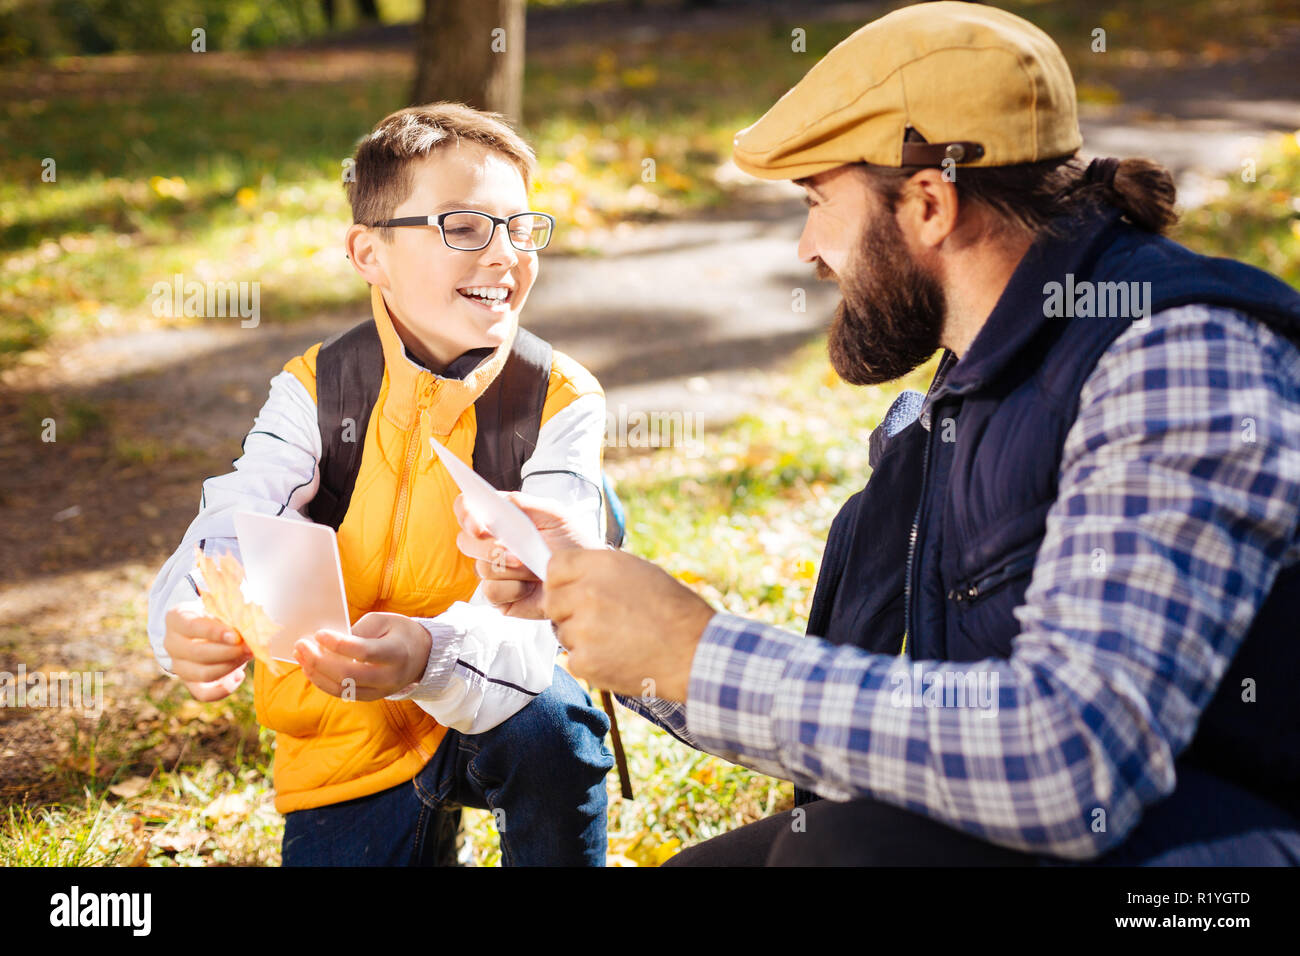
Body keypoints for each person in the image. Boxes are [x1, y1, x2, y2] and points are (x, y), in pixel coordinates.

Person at [456, 2, 1300, 865]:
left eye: (820, 201)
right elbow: (870, 714)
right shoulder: (958, 399)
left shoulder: (1176, 359)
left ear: (930, 203)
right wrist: (611, 613)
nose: (807, 249)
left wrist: (698, 650)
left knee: (839, 855)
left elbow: (1073, 761)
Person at [147, 103, 614, 866]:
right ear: (370, 252)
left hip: (488, 689)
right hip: (345, 733)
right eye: (463, 227)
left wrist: (428, 655)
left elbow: (543, 622)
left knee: (552, 727)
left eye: (521, 227)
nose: (505, 256)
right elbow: (232, 520)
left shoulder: (559, 396)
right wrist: (190, 615)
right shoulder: (316, 390)